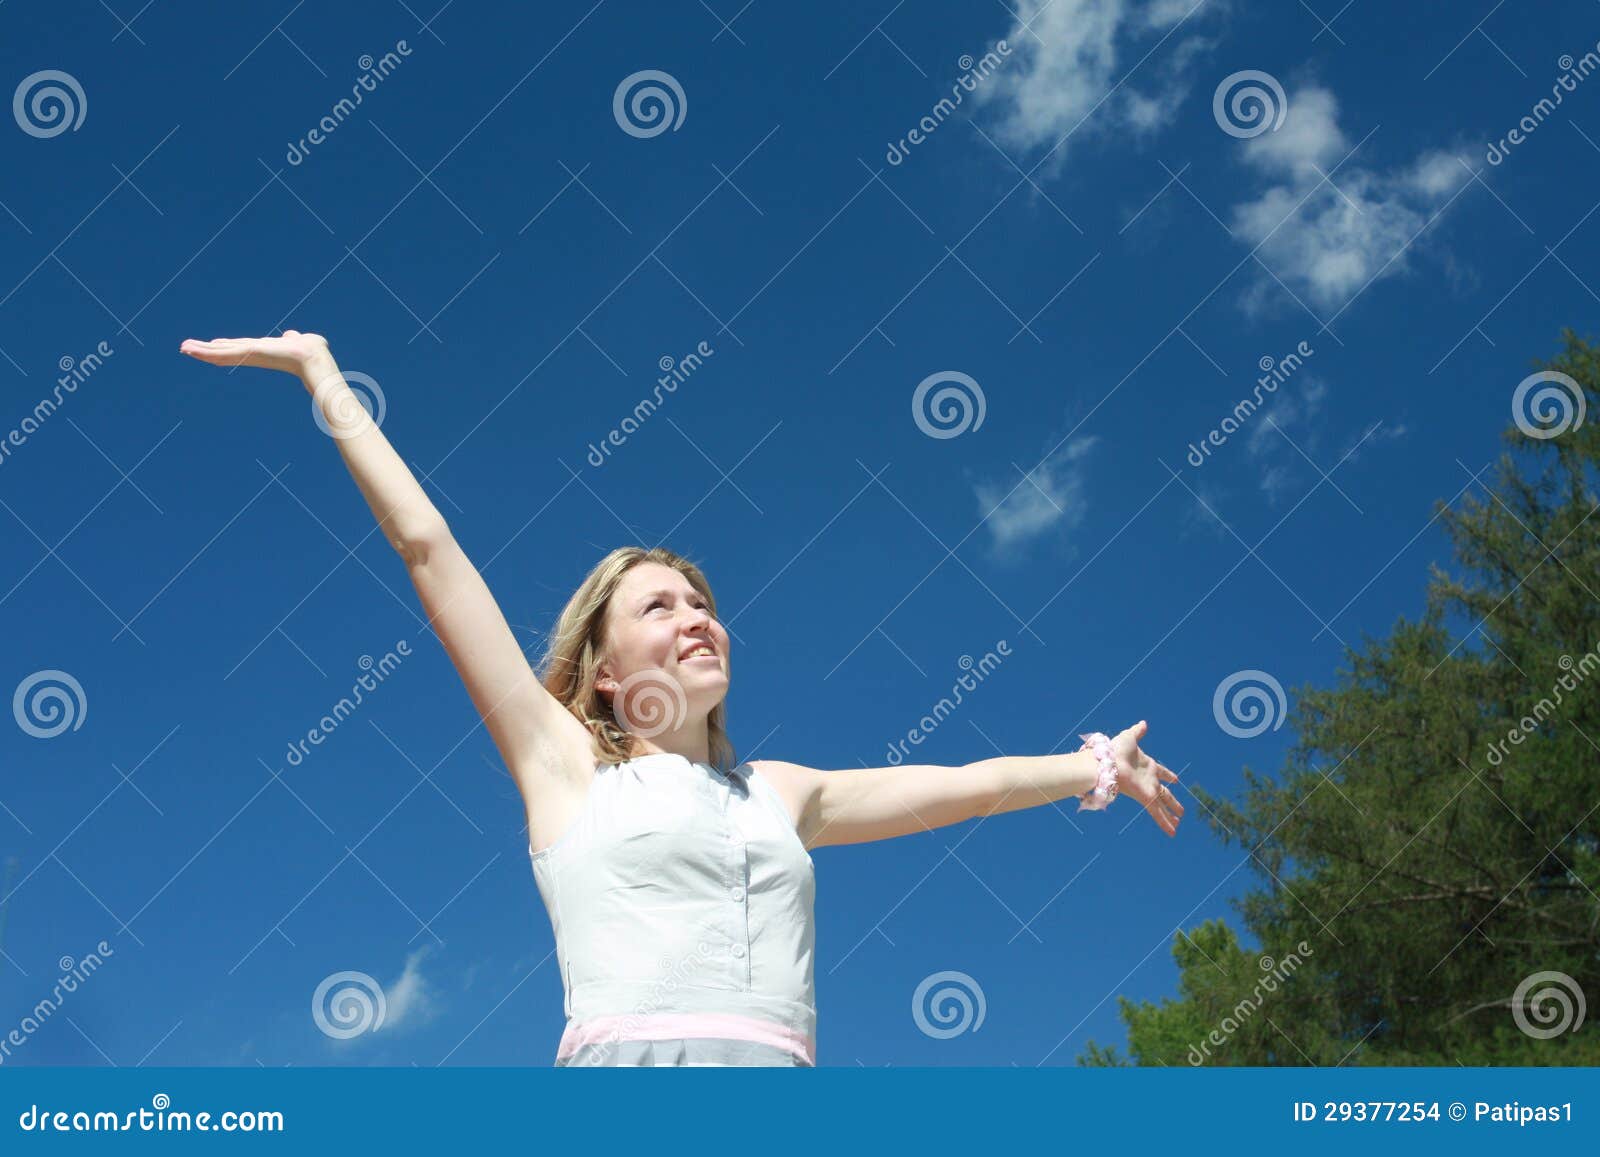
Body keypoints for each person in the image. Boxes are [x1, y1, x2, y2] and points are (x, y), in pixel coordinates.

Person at [178, 329, 1186, 1066]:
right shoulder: (559, 761)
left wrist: (1098, 766)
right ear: (604, 667)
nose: (697, 615)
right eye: (659, 605)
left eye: (703, 601)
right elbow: (429, 550)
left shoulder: (780, 791)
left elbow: (965, 785)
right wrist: (322, 375)